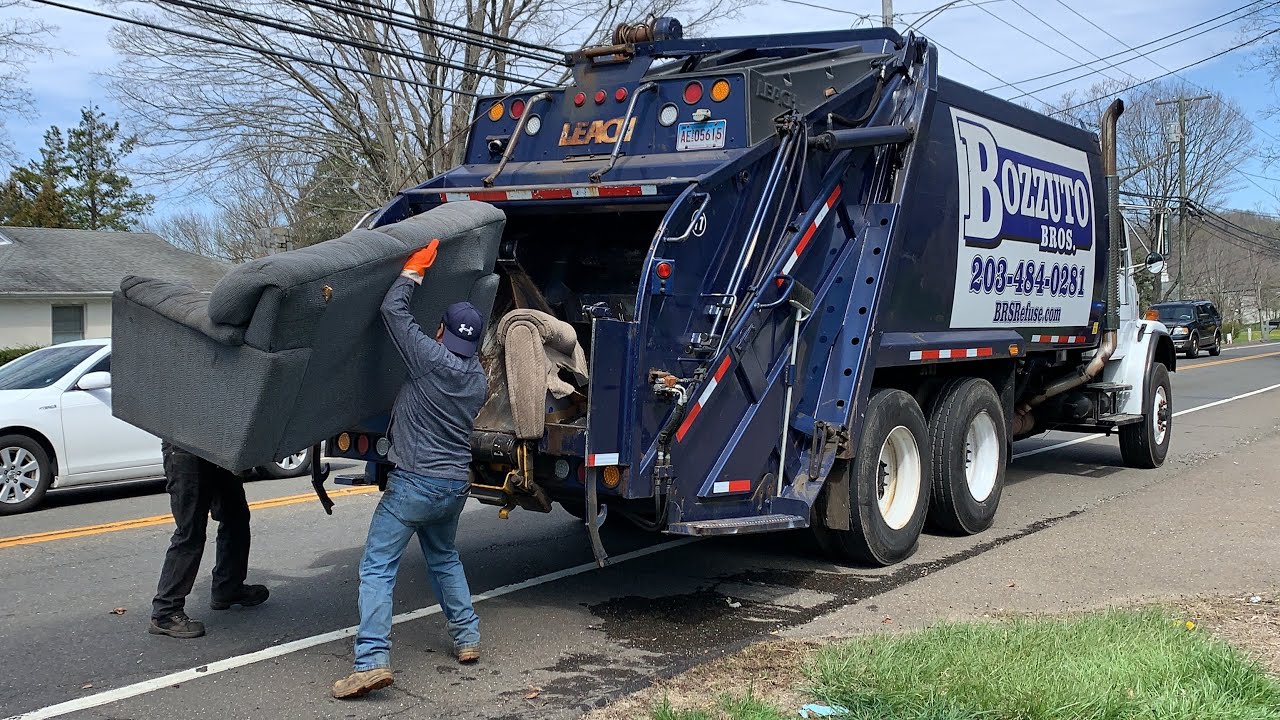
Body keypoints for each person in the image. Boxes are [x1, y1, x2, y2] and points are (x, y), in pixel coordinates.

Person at [333, 239, 488, 699]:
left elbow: (392, 313)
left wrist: (414, 272)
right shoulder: (476, 377)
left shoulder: (430, 359)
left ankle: (371, 660)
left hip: (414, 485)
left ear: (441, 333)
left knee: (378, 567)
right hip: (453, 486)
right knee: (444, 557)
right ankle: (467, 638)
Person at [149, 443, 269, 639]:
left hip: (218, 449)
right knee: (190, 532)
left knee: (235, 517)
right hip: (186, 448)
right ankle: (165, 612)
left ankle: (228, 588)